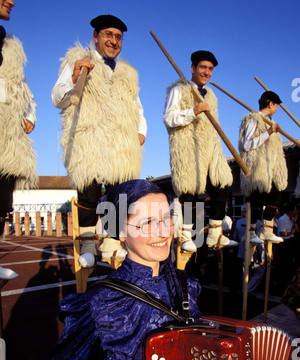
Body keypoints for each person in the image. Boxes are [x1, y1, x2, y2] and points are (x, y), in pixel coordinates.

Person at [46, 179, 202, 360]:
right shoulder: (100, 303)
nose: (163, 232)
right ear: (120, 232)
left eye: (167, 218)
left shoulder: (187, 284)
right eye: (147, 223)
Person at [52, 14, 147, 267]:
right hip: (90, 140)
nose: (113, 41)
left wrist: (141, 132)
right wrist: (74, 76)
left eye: (118, 37)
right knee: (89, 192)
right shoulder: (79, 60)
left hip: (120, 145)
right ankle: (86, 244)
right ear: (96, 37)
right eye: (108, 35)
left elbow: (137, 109)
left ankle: (113, 241)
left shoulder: (128, 74)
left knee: (120, 194)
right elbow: (58, 98)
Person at [163, 50, 237, 251]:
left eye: (210, 69)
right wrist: (193, 112)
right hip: (188, 146)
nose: (206, 72)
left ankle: (215, 232)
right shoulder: (179, 90)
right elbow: (169, 119)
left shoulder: (212, 95)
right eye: (203, 67)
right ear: (193, 68)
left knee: (222, 184)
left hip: (210, 148)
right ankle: (186, 236)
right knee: (189, 191)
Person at [0, 0, 37, 279]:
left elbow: (23, 90)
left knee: (1, 204)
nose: (12, 1)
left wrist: (30, 115)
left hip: (7, 139)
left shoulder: (11, 47)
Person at [238, 91, 288, 243]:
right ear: (270, 103)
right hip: (256, 168)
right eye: (276, 105)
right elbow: (246, 144)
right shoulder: (254, 119)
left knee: (277, 194)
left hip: (271, 170)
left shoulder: (271, 122)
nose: (277, 109)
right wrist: (268, 132)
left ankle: (267, 229)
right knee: (257, 200)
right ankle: (252, 232)